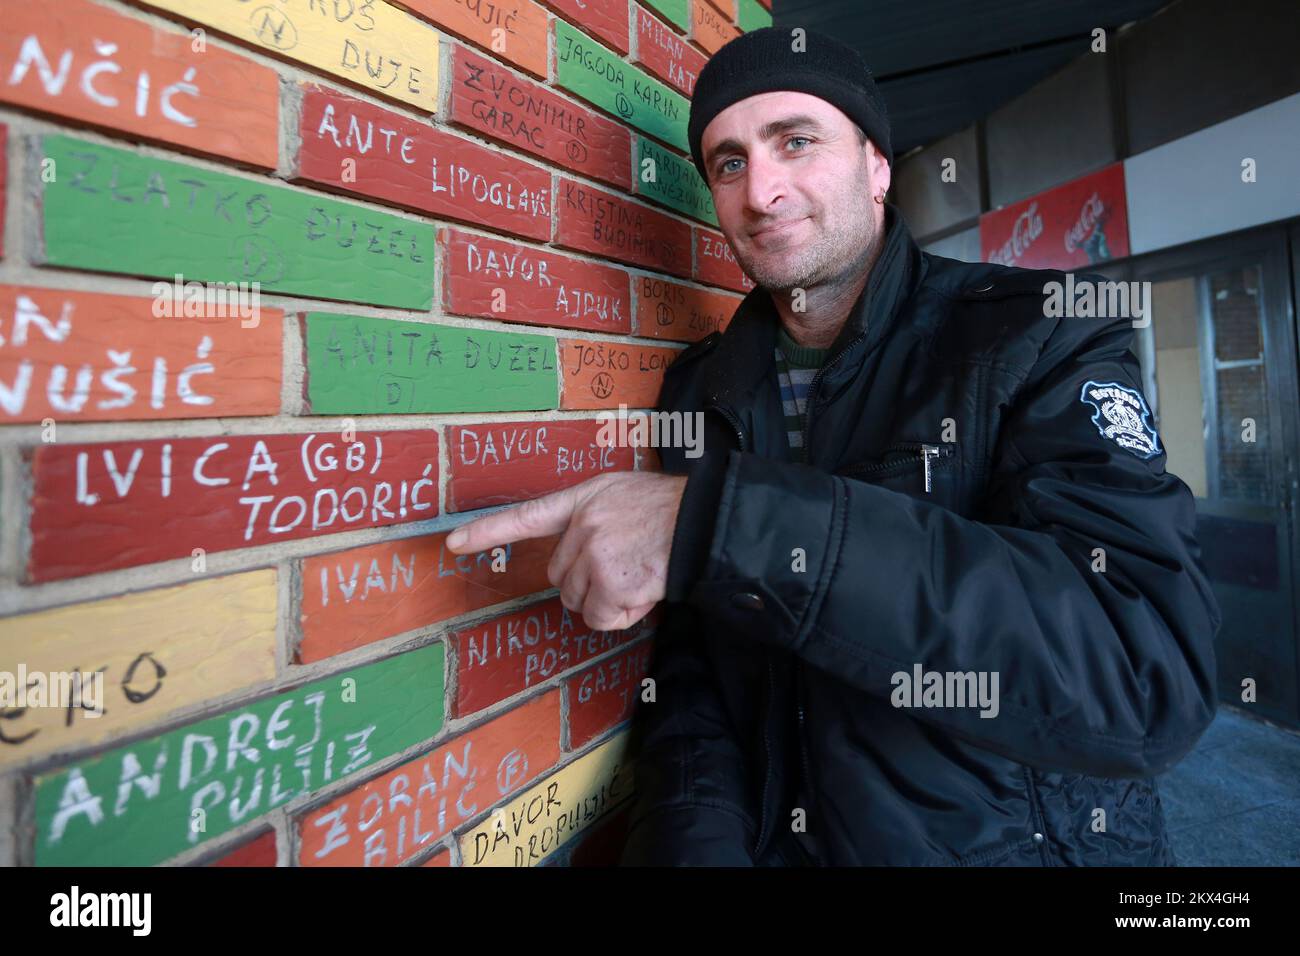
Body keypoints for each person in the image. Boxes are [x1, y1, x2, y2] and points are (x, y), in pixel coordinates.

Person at [446, 26, 1221, 866]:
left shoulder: (1037, 332)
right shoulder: (703, 392)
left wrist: (722, 526)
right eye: (730, 162)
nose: (761, 191)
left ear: (878, 166)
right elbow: (700, 679)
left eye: (796, 142)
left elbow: (1141, 667)